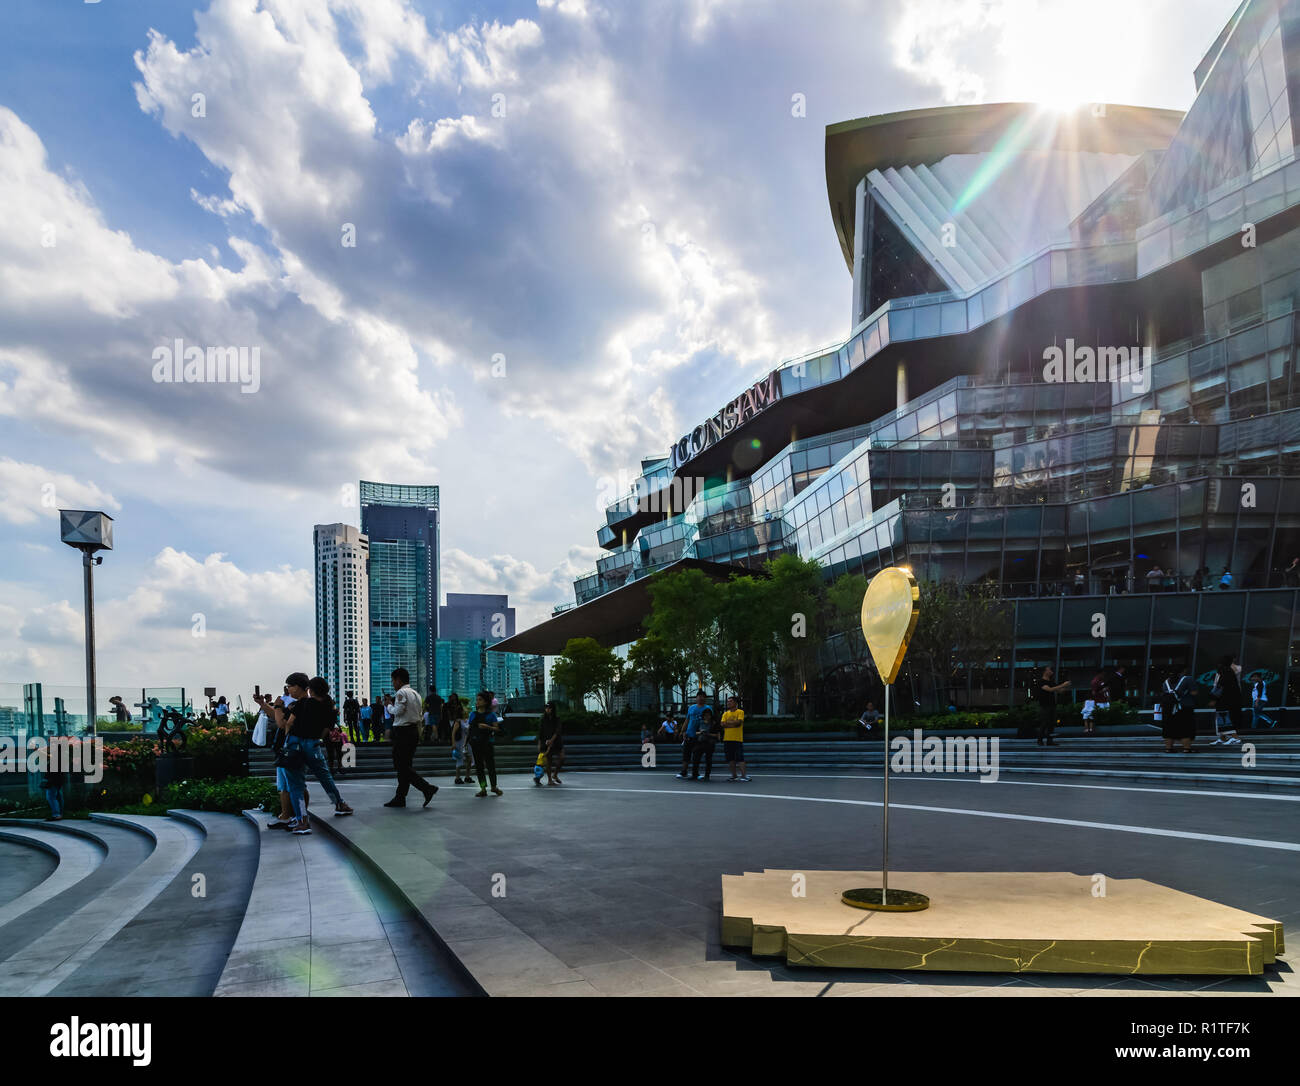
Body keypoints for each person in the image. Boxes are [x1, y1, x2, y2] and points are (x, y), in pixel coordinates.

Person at [265, 675, 353, 833]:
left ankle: (302, 822)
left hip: (295, 745)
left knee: (295, 784)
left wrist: (279, 710)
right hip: (313, 745)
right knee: (325, 777)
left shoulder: (303, 703)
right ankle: (340, 804)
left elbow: (287, 723)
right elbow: (325, 731)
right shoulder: (330, 708)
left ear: (310, 690)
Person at [384, 667, 438, 808]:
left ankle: (427, 788)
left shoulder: (401, 692)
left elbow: (398, 711)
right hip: (413, 731)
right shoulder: (416, 694)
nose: (393, 684)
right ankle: (400, 797)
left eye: (393, 680)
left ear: (398, 680)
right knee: (405, 765)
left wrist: (389, 706)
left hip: (403, 732)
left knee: (401, 765)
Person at [467, 691, 503, 797]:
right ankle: (483, 789)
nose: (477, 701)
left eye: (480, 699)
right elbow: (470, 729)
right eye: (477, 699)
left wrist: (487, 727)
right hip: (475, 743)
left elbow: (497, 728)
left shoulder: (491, 715)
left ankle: (493, 786)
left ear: (486, 702)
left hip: (487, 742)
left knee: (490, 765)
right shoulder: (472, 714)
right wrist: (467, 742)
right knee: (479, 767)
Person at [1161, 666, 1197, 753]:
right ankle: (1186, 748)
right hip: (1184, 708)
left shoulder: (1166, 682)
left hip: (1168, 709)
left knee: (1168, 729)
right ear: (1183, 671)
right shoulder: (1188, 679)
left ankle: (1168, 748)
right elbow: (1194, 692)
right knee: (1185, 728)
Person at [1210, 655, 1243, 746]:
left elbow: (1220, 685)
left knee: (1224, 717)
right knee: (1222, 717)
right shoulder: (1227, 670)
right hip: (1229, 699)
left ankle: (1235, 738)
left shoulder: (1225, 671)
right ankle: (1222, 738)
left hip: (1225, 699)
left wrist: (1213, 698)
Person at [676, 690, 709, 780]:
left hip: (700, 737)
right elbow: (687, 720)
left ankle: (695, 773)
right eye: (699, 696)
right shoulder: (691, 708)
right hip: (689, 735)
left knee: (696, 756)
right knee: (686, 754)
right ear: (696, 698)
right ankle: (684, 772)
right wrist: (682, 731)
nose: (700, 698)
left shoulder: (708, 708)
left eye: (702, 696)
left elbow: (710, 721)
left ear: (705, 698)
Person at [1035, 666, 1070, 747]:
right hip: (1044, 705)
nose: (1051, 671)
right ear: (1045, 671)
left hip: (1052, 705)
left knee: (1051, 723)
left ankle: (1049, 740)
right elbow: (1049, 689)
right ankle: (1040, 740)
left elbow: (1058, 690)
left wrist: (1065, 686)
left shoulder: (1051, 681)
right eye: (1049, 669)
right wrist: (1062, 685)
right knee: (1044, 723)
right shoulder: (1041, 682)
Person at [722, 695, 749, 782]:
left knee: (740, 758)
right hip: (727, 739)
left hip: (737, 739)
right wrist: (732, 723)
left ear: (735, 703)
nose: (728, 703)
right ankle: (734, 776)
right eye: (728, 701)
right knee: (730, 758)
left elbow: (739, 723)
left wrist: (728, 723)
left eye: (730, 701)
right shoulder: (725, 713)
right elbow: (722, 724)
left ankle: (744, 776)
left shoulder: (740, 712)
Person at [449, 695, 474, 784]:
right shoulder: (458, 721)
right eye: (465, 710)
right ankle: (457, 777)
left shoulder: (466, 721)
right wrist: (453, 744)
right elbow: (453, 733)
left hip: (467, 742)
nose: (466, 711)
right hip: (459, 742)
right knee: (460, 760)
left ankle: (467, 776)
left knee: (469, 759)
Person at [690, 707, 720, 780]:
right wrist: (700, 732)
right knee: (695, 758)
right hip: (700, 742)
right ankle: (695, 774)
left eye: (708, 715)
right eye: (705, 715)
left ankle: (707, 775)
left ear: (711, 715)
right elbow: (695, 732)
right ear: (703, 716)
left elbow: (717, 735)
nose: (707, 716)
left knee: (708, 760)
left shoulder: (714, 723)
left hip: (709, 743)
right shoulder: (700, 722)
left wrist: (708, 734)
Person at [538, 701, 563, 785]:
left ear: (553, 709)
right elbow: (540, 733)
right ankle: (549, 779)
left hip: (556, 741)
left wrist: (551, 740)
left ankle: (555, 775)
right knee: (549, 761)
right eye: (546, 708)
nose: (547, 709)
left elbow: (557, 731)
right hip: (546, 742)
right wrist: (539, 744)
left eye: (549, 708)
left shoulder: (557, 718)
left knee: (562, 757)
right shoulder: (543, 719)